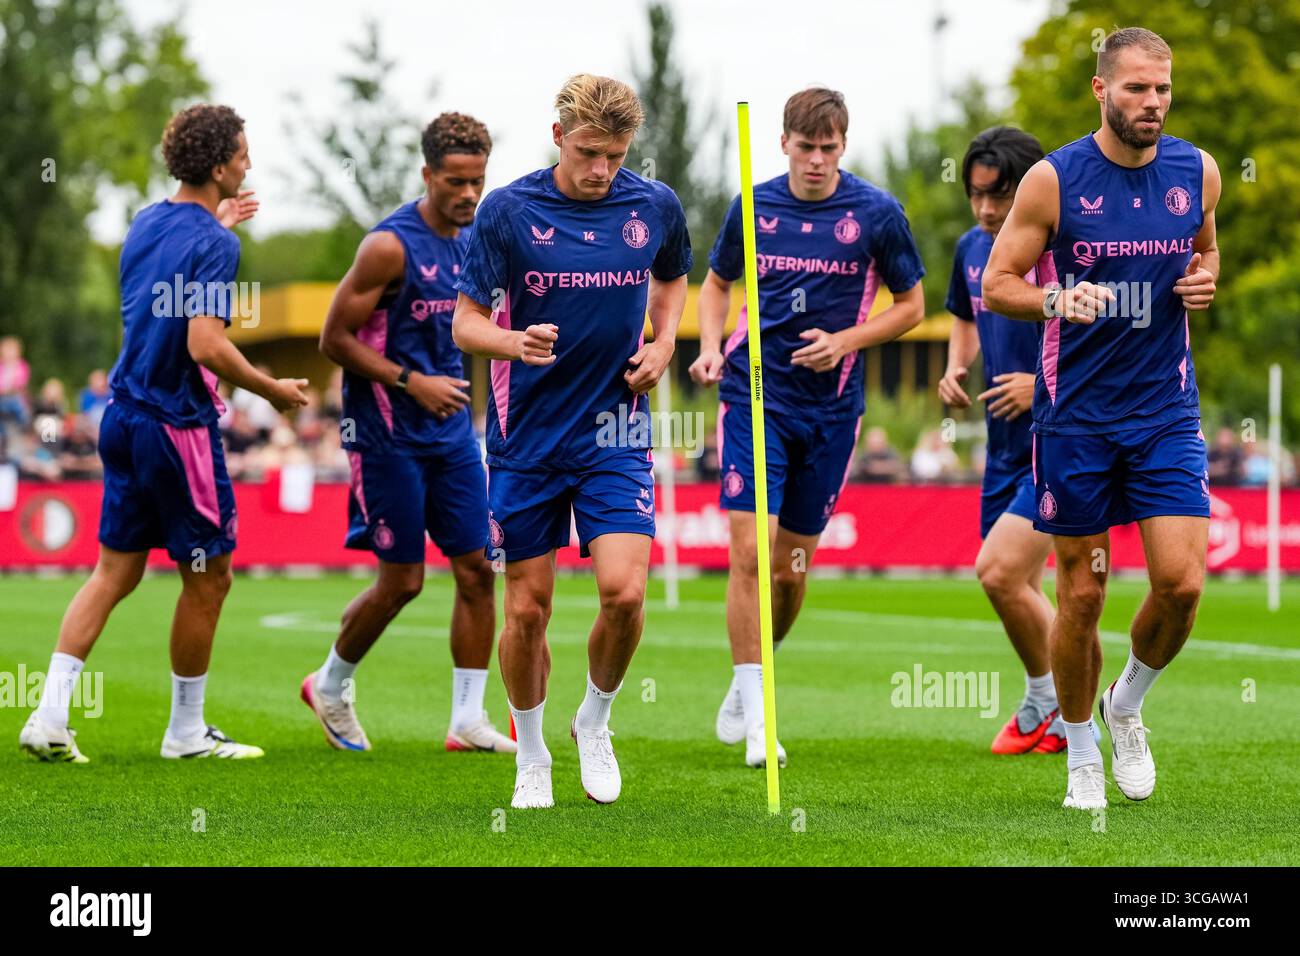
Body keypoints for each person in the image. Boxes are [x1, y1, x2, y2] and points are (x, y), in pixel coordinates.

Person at [19, 104, 307, 763]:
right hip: (175, 427)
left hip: (121, 417)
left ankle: (49, 717)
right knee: (209, 575)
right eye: (242, 154)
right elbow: (205, 344)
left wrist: (216, 225)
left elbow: (165, 284)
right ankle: (186, 734)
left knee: (114, 571)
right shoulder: (216, 244)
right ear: (219, 166)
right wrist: (270, 389)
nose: (249, 164)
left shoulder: (147, 222)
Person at [983, 28, 1221, 810]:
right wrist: (1056, 297)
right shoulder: (1053, 180)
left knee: (1182, 585)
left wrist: (1204, 278)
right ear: (1101, 90)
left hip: (1165, 412)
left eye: (1162, 89)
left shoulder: (1198, 170)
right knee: (1082, 597)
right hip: (1076, 420)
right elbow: (998, 282)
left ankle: (1127, 703)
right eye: (1136, 88)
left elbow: (1206, 251)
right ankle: (1081, 750)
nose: (1152, 102)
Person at [452, 74, 692, 808]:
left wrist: (664, 343)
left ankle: (594, 719)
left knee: (625, 593)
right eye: (589, 152)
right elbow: (465, 324)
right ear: (558, 136)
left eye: (615, 155)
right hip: (526, 438)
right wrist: (512, 340)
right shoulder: (507, 211)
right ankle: (531, 754)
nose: (601, 169)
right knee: (527, 610)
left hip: (615, 431)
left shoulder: (654, 205)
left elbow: (674, 279)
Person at [688, 88, 924, 768]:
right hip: (754, 396)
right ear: (784, 144)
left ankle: (750, 678)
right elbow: (716, 283)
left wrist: (846, 341)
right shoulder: (752, 205)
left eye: (829, 148)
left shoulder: (877, 212)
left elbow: (911, 306)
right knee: (751, 554)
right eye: (805, 147)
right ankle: (759, 714)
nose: (817, 160)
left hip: (832, 409)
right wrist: (710, 346)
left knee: (790, 572)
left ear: (843, 146)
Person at [302, 112, 509, 754]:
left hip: (451, 436)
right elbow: (332, 338)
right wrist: (410, 381)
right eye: (456, 182)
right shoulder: (388, 247)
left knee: (478, 570)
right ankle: (329, 685)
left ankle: (467, 720)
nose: (469, 194)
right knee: (403, 582)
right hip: (385, 435)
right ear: (427, 174)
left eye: (477, 181)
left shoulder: (477, 242)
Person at [939, 126, 1097, 755]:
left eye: (998, 195)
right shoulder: (970, 249)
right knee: (1017, 585)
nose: (985, 208)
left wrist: (1041, 385)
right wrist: (956, 367)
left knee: (999, 574)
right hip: (1003, 446)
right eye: (976, 194)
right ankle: (1049, 703)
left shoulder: (1065, 246)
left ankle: (1065, 701)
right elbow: (963, 316)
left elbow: (1108, 336)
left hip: (1057, 438)